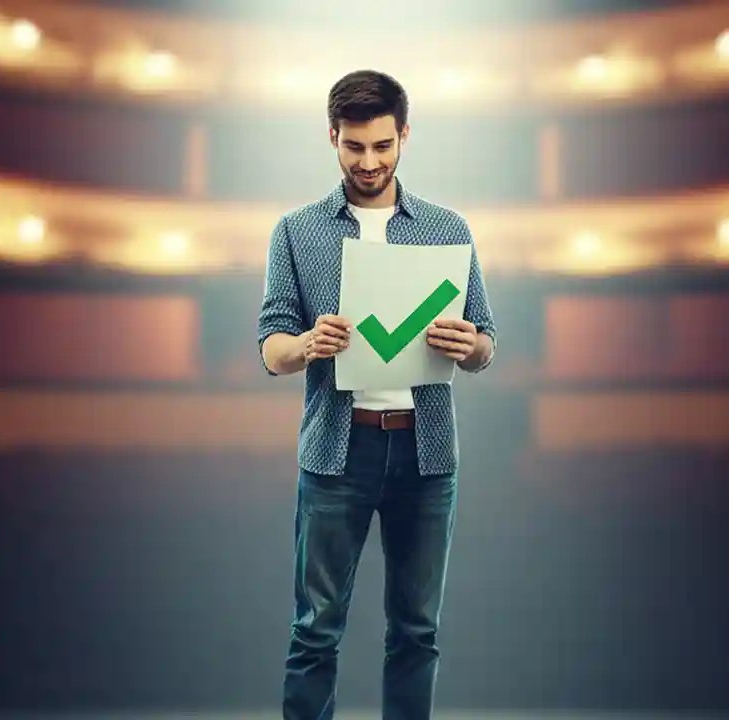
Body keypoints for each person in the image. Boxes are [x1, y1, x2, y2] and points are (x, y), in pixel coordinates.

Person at [257, 69, 498, 720]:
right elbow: (271, 350)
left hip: (425, 455)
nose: (369, 162)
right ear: (332, 138)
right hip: (338, 452)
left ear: (404, 137)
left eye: (383, 146)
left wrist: (467, 344)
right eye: (354, 146)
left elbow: (486, 345)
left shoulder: (448, 229)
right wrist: (308, 342)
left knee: (417, 633)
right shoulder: (296, 232)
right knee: (316, 630)